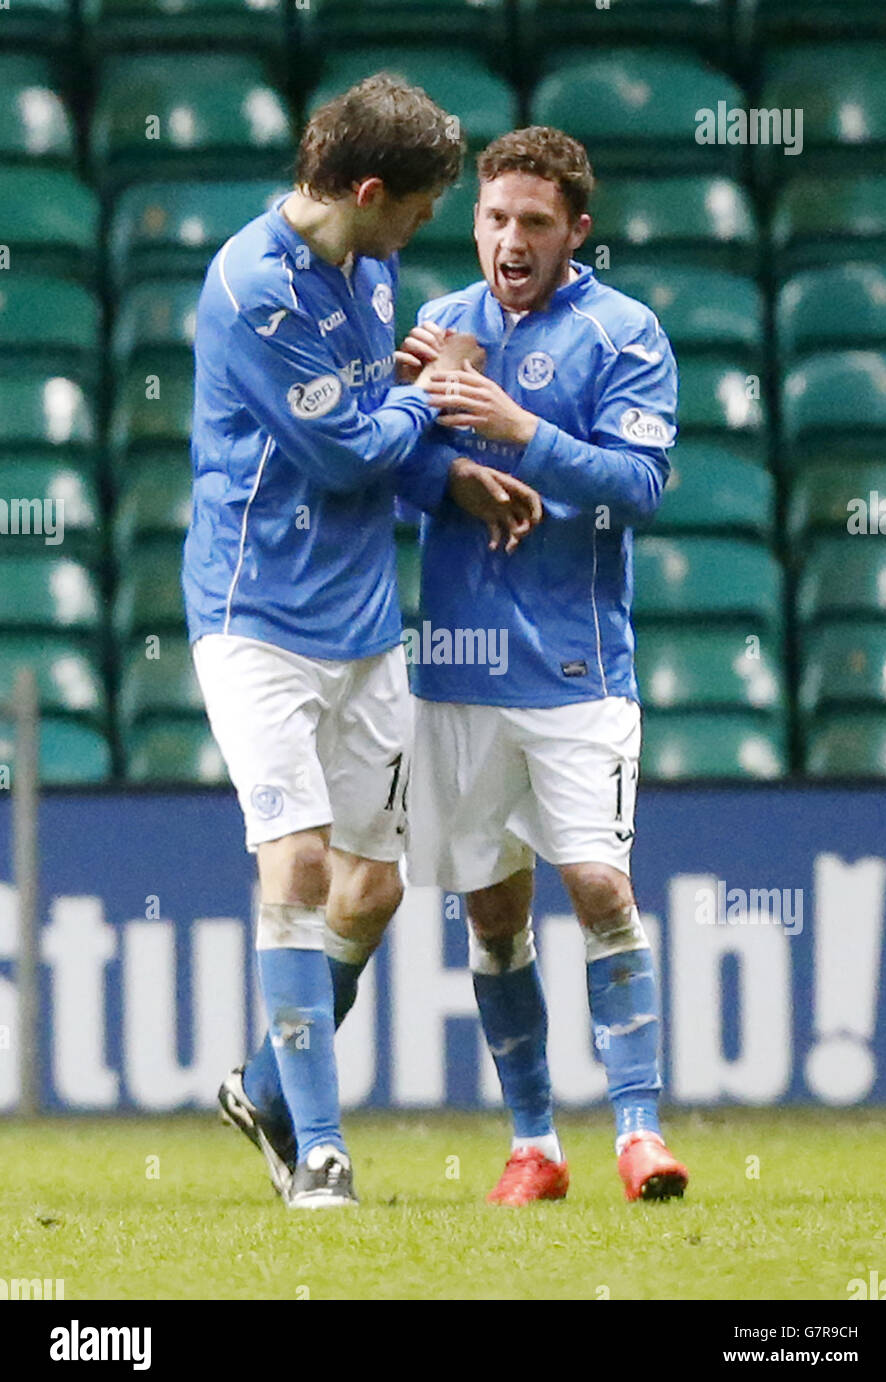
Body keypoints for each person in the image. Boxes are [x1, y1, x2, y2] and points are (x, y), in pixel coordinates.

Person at [182, 76, 542, 1211]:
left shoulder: (370, 267)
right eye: (425, 206)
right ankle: (321, 1153)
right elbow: (343, 451)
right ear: (370, 189)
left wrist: (446, 476)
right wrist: (431, 403)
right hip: (256, 621)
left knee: (375, 887)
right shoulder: (251, 289)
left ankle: (267, 1091)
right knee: (292, 861)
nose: (429, 230)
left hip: (362, 620)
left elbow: (375, 438)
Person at [399, 125, 689, 1205]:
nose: (508, 240)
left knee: (601, 883)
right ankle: (533, 1145)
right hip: (459, 677)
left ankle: (637, 1131)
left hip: (578, 670)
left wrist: (518, 431)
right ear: (472, 221)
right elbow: (391, 479)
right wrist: (440, 459)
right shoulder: (438, 329)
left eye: (532, 221)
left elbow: (643, 487)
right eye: (492, 218)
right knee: (489, 912)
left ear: (576, 228)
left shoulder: (625, 334)